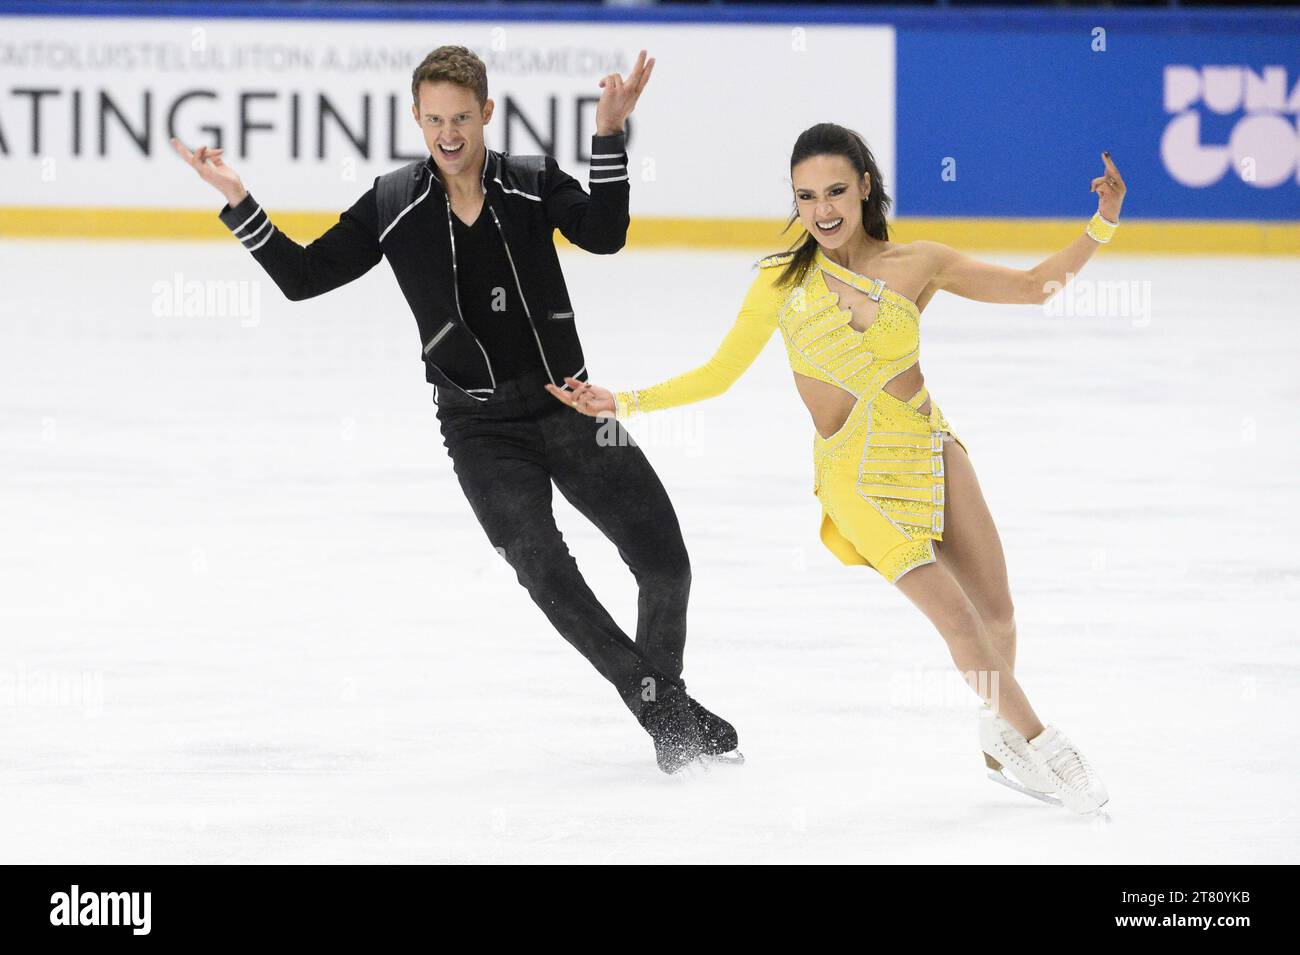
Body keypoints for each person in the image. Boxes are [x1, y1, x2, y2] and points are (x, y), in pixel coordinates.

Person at [171, 45, 739, 775]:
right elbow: (303, 277)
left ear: (487, 113)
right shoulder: (393, 202)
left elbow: (606, 232)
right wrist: (238, 199)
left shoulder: (531, 182)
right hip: (478, 426)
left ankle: (665, 710)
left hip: (566, 402)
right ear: (416, 117)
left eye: (462, 117)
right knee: (544, 569)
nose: (448, 132)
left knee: (667, 562)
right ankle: (662, 710)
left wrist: (609, 134)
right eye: (434, 118)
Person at [548, 123, 1122, 813]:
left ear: (866, 187)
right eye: (806, 196)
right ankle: (1050, 748)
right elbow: (720, 373)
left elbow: (1033, 287)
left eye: (836, 191)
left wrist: (1103, 221)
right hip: (856, 475)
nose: (822, 209)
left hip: (928, 443)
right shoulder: (781, 279)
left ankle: (1002, 744)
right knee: (961, 625)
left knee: (997, 613)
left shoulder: (919, 262)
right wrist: (627, 400)